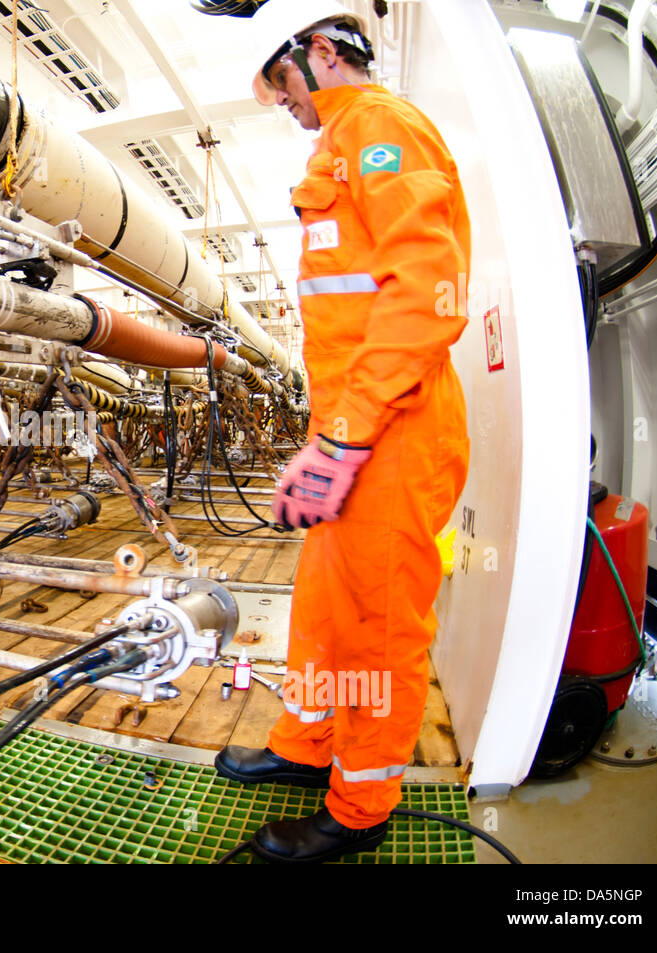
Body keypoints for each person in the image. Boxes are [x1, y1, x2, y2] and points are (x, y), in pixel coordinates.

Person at [211, 0, 471, 863]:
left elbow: (425, 289)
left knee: (380, 626)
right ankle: (305, 744)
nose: (283, 101)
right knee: (324, 608)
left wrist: (344, 438)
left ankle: (361, 803)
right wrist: (324, 437)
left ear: (320, 51)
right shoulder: (339, 146)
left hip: (392, 433)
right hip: (351, 429)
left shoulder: (381, 128)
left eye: (283, 80)